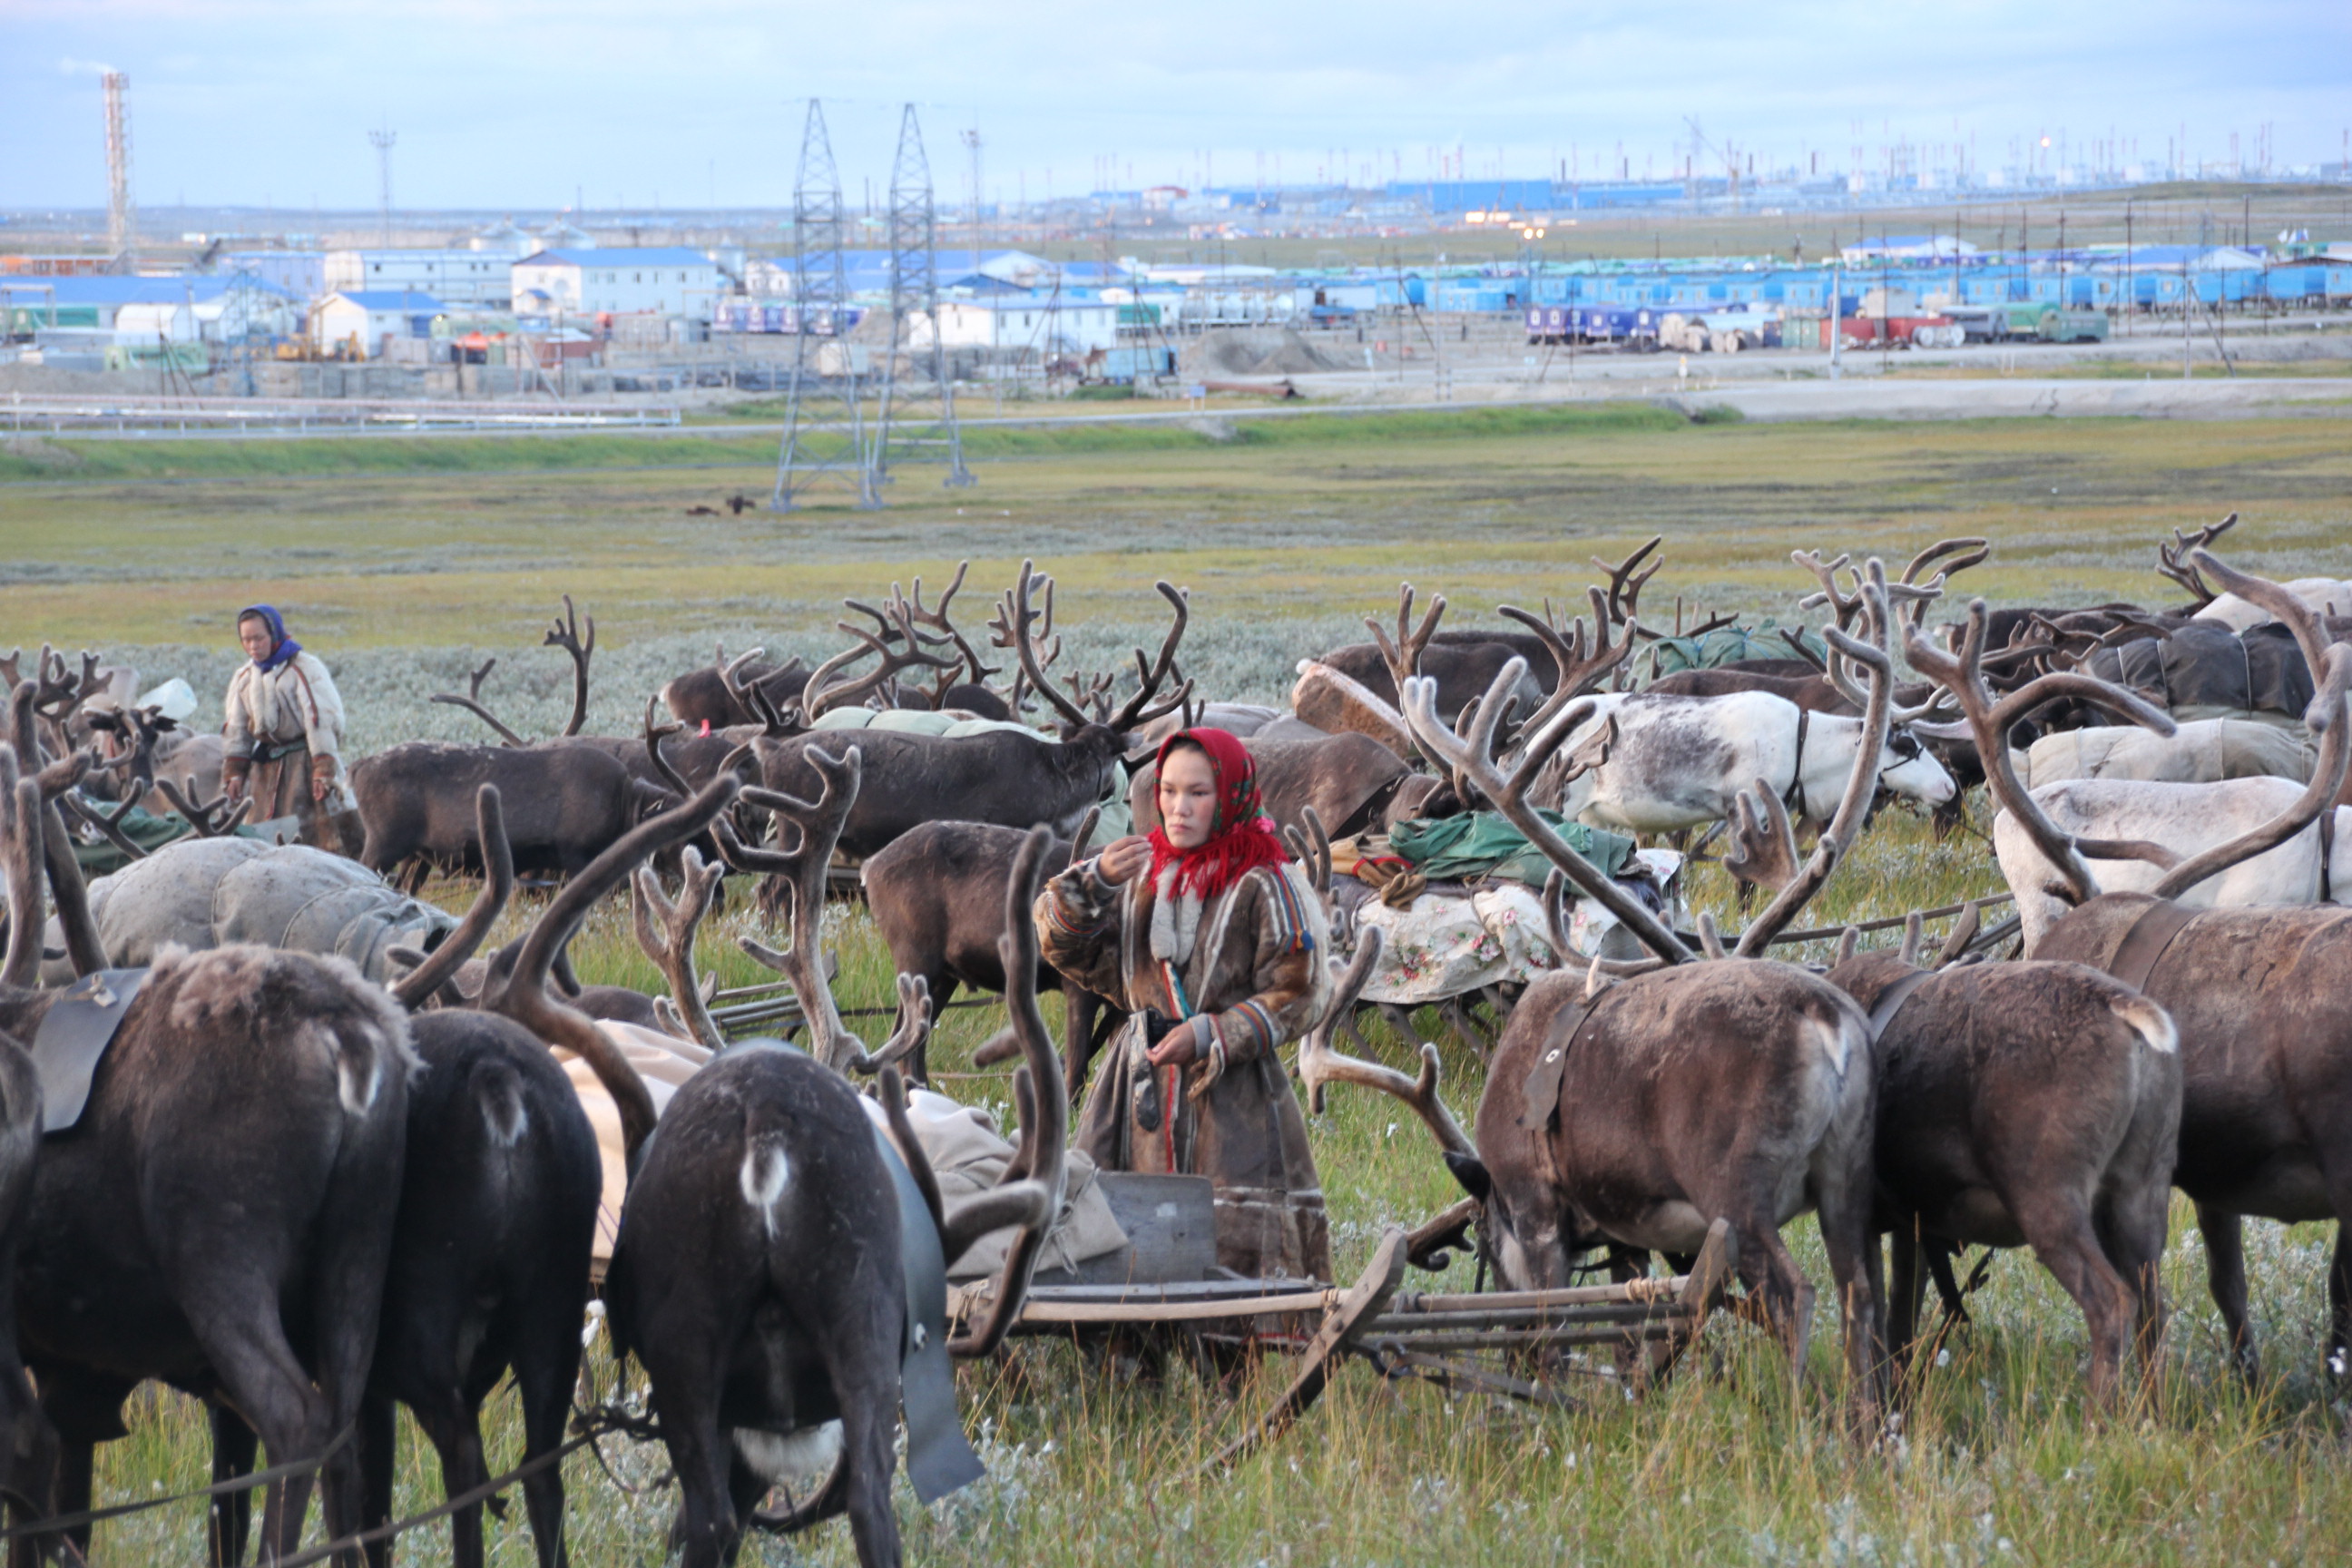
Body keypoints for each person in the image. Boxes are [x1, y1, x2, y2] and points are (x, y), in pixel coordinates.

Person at [1035, 727, 1333, 1283]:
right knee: (1120, 1236)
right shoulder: (1138, 875)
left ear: (1230, 794)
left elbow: (1302, 990)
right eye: (1168, 791)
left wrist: (1213, 1033)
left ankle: (1230, 1364)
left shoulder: (1266, 882)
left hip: (1231, 1093)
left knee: (1231, 1248)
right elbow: (1064, 950)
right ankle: (1133, 1356)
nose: (1178, 808)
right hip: (1137, 1088)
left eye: (1198, 792)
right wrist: (1092, 883)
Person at [221, 604, 351, 848]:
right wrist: (234, 772)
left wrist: (323, 771)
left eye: (259, 638)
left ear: (274, 633)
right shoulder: (245, 677)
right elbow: (237, 727)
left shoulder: (303, 668)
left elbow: (320, 719)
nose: (253, 646)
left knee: (316, 833)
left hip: (304, 764)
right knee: (262, 835)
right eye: (246, 640)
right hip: (265, 769)